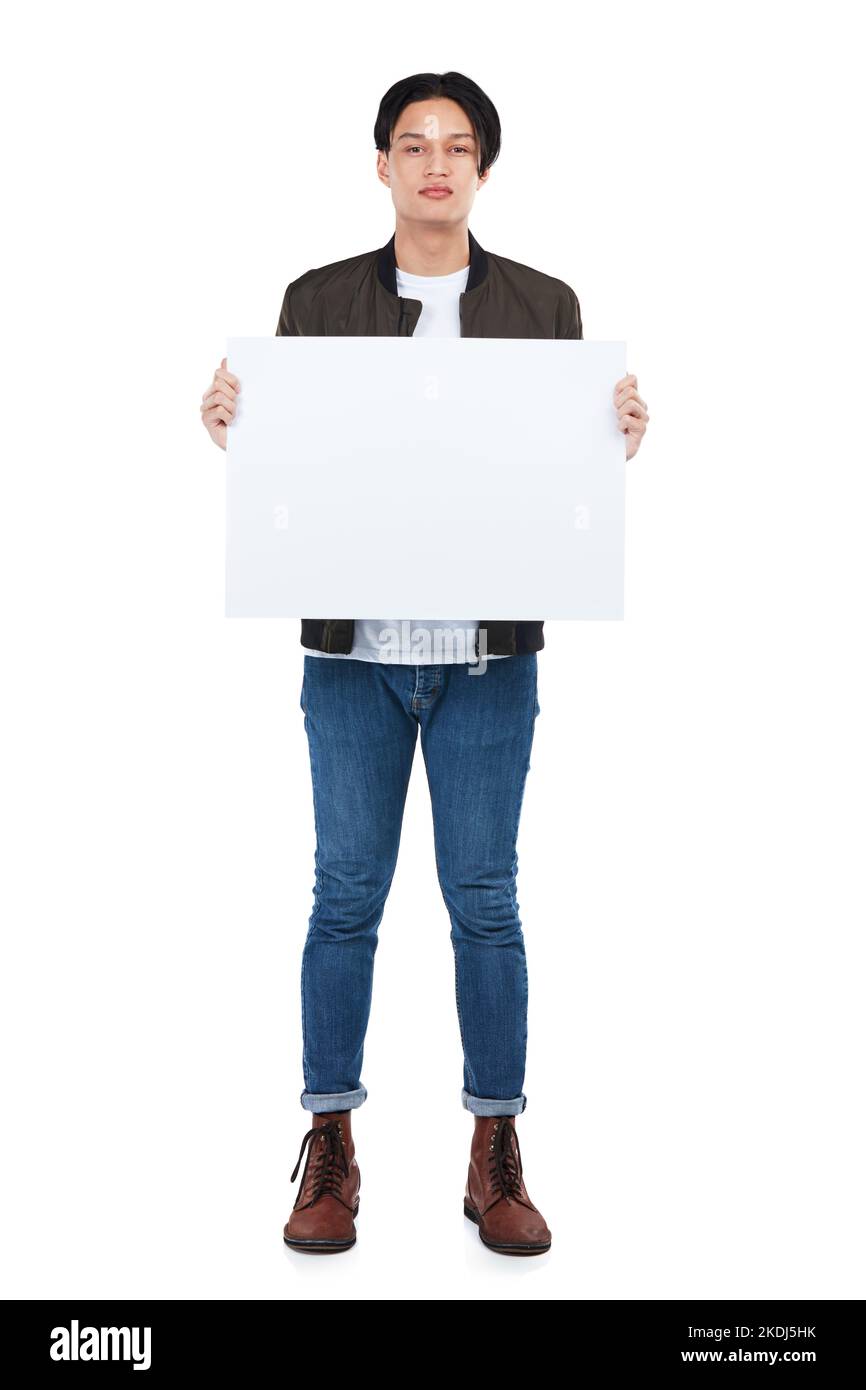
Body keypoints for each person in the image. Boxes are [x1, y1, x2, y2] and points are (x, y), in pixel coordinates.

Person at [201, 71, 649, 1257]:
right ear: (384, 166)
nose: (435, 164)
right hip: (355, 656)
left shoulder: (545, 307)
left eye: (456, 146)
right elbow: (288, 465)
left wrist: (612, 443)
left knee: (484, 901)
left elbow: (561, 484)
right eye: (413, 144)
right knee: (342, 897)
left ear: (483, 170)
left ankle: (492, 1144)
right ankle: (331, 1144)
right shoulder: (317, 300)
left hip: (488, 660)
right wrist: (233, 421)